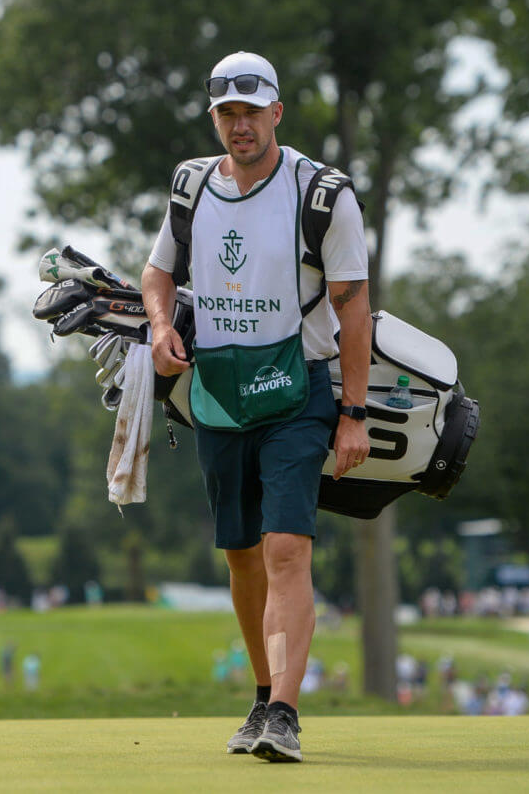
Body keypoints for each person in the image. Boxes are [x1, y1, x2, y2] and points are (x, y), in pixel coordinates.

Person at [141, 50, 371, 763]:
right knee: (241, 556)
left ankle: (286, 713)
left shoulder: (322, 194)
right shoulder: (191, 186)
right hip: (220, 391)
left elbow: (353, 304)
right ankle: (263, 692)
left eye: (251, 111)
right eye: (226, 114)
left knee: (285, 547)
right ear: (215, 119)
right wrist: (159, 326)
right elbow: (157, 271)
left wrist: (354, 411)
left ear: (276, 112)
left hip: (301, 387)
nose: (239, 126)